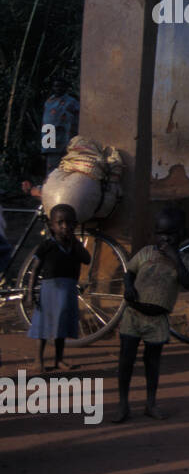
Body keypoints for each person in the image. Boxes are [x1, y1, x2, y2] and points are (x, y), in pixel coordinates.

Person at [113, 207, 189, 422]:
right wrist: (128, 288)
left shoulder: (185, 259)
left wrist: (174, 258)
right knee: (126, 360)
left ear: (182, 234)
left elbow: (188, 282)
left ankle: (151, 403)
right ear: (154, 234)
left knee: (152, 362)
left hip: (157, 320)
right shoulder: (146, 252)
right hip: (133, 314)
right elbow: (129, 273)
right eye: (160, 233)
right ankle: (123, 404)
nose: (165, 239)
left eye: (171, 234)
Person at [27, 203, 90, 371]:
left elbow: (87, 259)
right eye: (60, 223)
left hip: (68, 290)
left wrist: (76, 242)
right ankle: (38, 359)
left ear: (75, 225)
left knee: (61, 327)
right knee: (43, 326)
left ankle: (59, 359)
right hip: (49, 290)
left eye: (69, 223)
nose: (65, 227)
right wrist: (30, 292)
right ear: (51, 225)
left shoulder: (74, 247)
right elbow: (35, 269)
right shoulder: (47, 246)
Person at [41, 79, 80, 176]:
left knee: (65, 167)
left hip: (65, 137)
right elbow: (46, 121)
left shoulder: (72, 102)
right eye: (56, 86)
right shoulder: (48, 102)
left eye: (61, 86)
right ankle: (50, 188)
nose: (58, 89)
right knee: (51, 168)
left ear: (66, 88)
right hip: (50, 137)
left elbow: (78, 118)